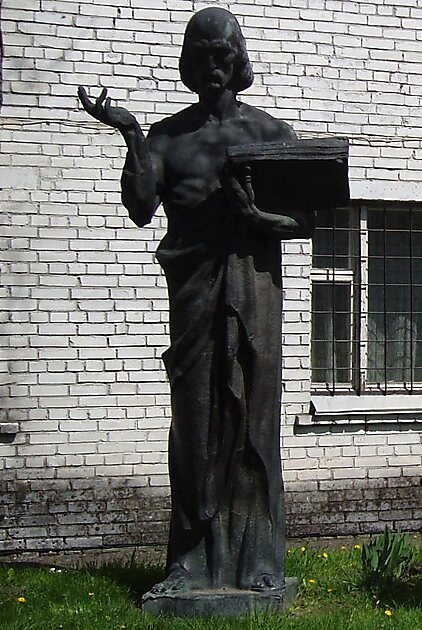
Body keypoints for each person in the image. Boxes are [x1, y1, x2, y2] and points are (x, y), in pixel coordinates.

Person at [79, 8, 311, 595]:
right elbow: (139, 205)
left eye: (223, 55)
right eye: (202, 55)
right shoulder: (166, 136)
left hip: (254, 291)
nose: (214, 66)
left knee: (252, 424)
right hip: (192, 293)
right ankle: (187, 563)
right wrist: (130, 133)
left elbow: (302, 219)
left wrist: (258, 216)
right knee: (194, 425)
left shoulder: (270, 135)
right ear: (190, 62)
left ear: (239, 61)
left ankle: (259, 560)